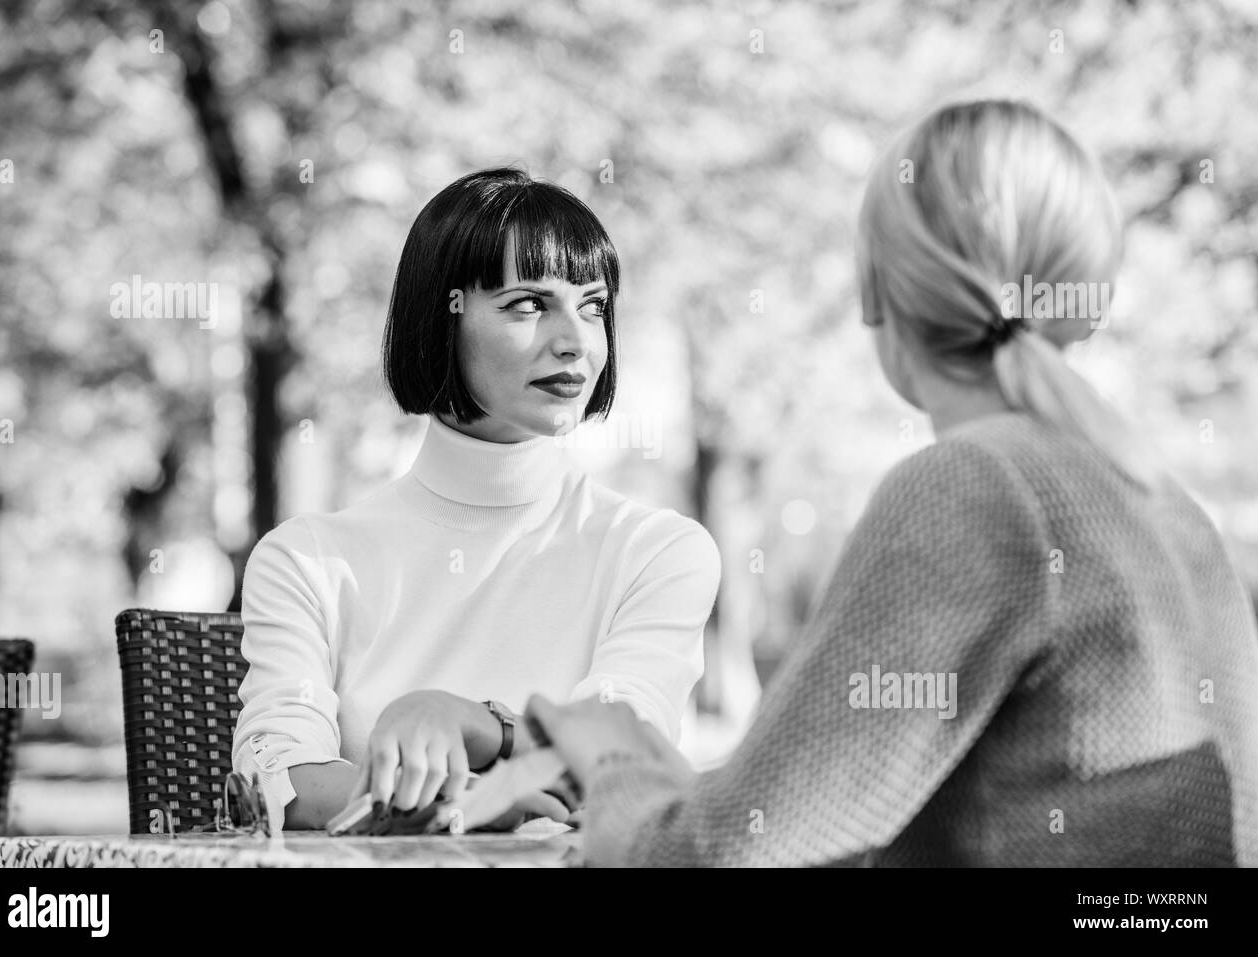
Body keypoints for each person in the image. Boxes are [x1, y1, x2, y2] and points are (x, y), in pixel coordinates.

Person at [528, 99, 1258, 866]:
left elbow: (710, 856)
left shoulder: (975, 487)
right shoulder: (1170, 506)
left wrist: (609, 764)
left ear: (880, 290)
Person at [231, 168, 720, 829]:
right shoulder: (306, 559)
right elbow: (274, 773)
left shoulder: (658, 551)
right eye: (527, 304)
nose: (576, 340)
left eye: (593, 305)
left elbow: (623, 756)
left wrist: (474, 722)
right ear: (445, 315)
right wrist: (456, 802)